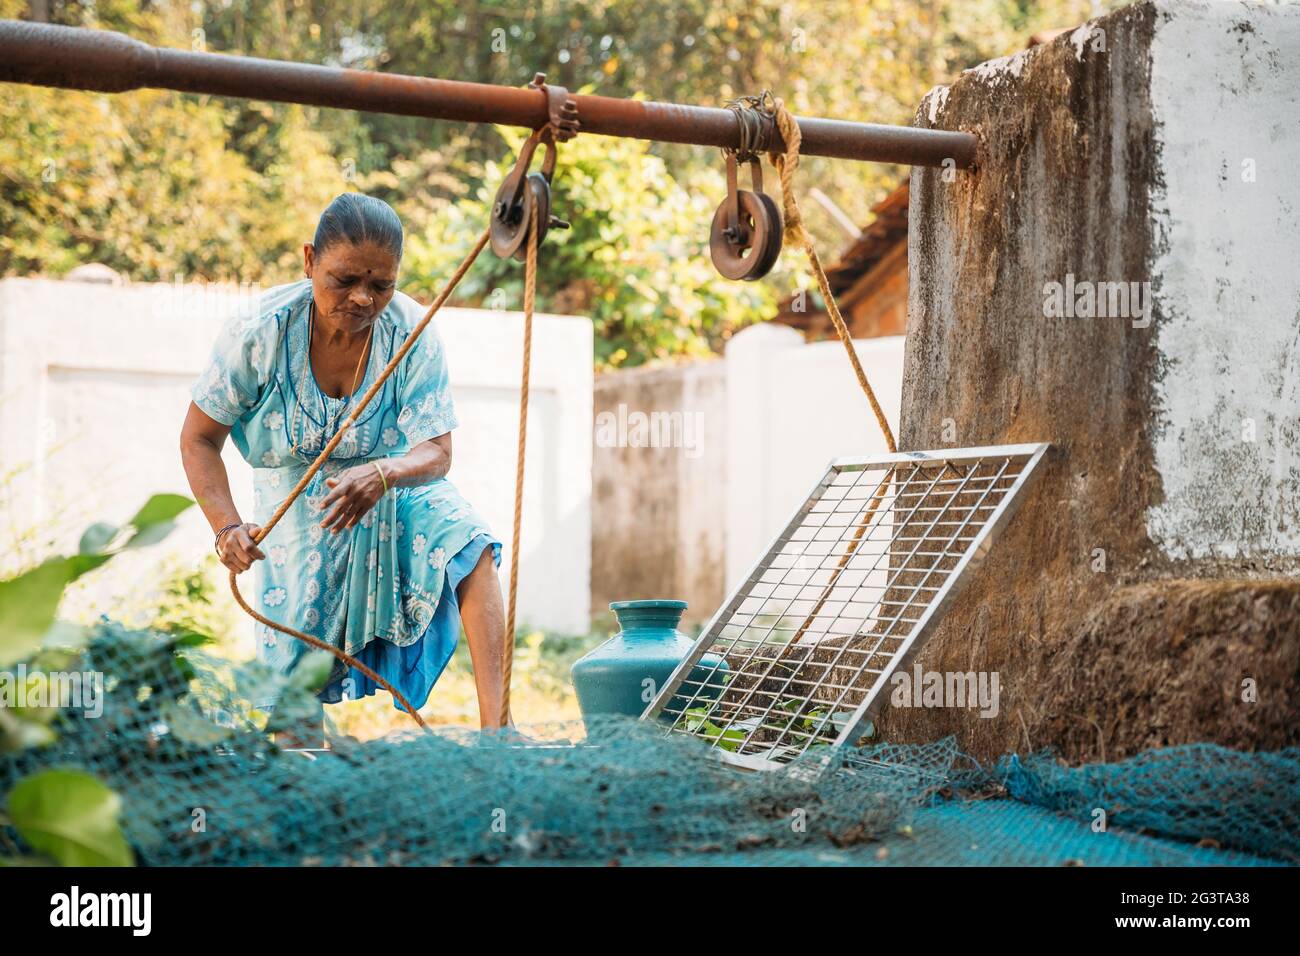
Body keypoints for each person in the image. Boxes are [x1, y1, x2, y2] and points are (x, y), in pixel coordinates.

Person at [179, 192, 510, 746]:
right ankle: (305, 789)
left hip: (391, 489)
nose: (362, 298)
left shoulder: (410, 330)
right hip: (295, 511)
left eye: (381, 285)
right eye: (344, 279)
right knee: (293, 710)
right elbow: (198, 439)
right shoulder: (260, 330)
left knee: (468, 539)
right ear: (309, 261)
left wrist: (383, 474)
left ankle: (500, 734)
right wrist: (227, 526)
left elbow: (436, 451)